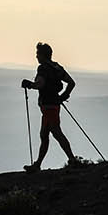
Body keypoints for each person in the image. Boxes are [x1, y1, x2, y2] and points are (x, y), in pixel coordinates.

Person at [21, 42, 82, 171]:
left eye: (38, 54)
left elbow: (40, 84)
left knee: (55, 132)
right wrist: (63, 96)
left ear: (43, 55)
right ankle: (38, 164)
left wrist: (29, 84)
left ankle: (72, 160)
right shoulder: (57, 67)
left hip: (48, 106)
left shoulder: (43, 68)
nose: (36, 57)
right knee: (45, 134)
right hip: (54, 104)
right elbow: (71, 83)